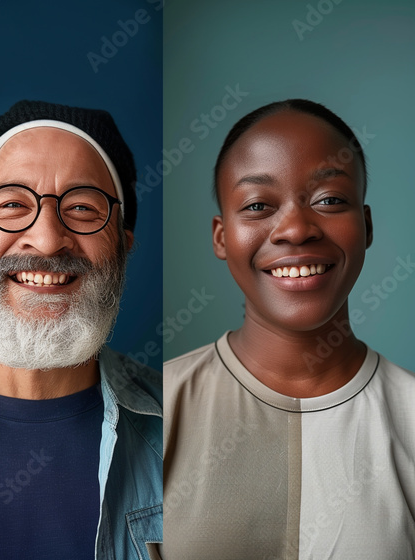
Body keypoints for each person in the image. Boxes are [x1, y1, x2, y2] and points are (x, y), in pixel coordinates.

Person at [163, 99, 415, 559]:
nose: (296, 229)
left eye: (330, 200)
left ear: (367, 224)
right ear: (222, 236)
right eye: (258, 205)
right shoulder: (153, 411)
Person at [0, 101, 163, 560]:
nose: (47, 240)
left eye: (84, 209)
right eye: (12, 204)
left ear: (123, 249)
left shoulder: (186, 433)